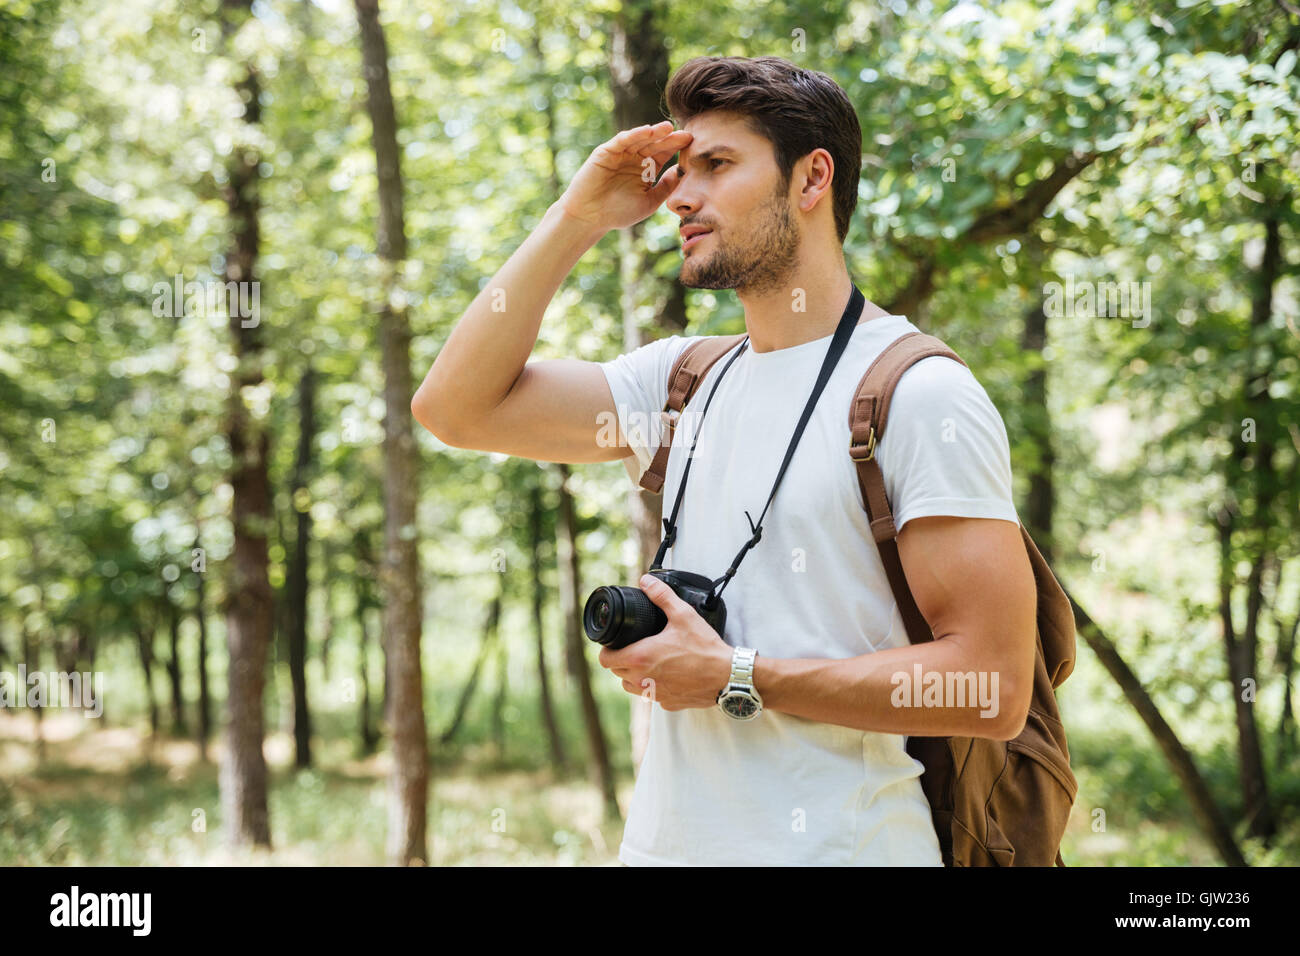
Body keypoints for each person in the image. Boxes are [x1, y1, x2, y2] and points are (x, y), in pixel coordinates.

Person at [412, 55, 1037, 866]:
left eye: (715, 165)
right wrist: (577, 216)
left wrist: (739, 675)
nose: (678, 194)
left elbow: (991, 686)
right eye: (678, 168)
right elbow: (454, 408)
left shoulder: (917, 394)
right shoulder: (681, 382)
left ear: (812, 180)